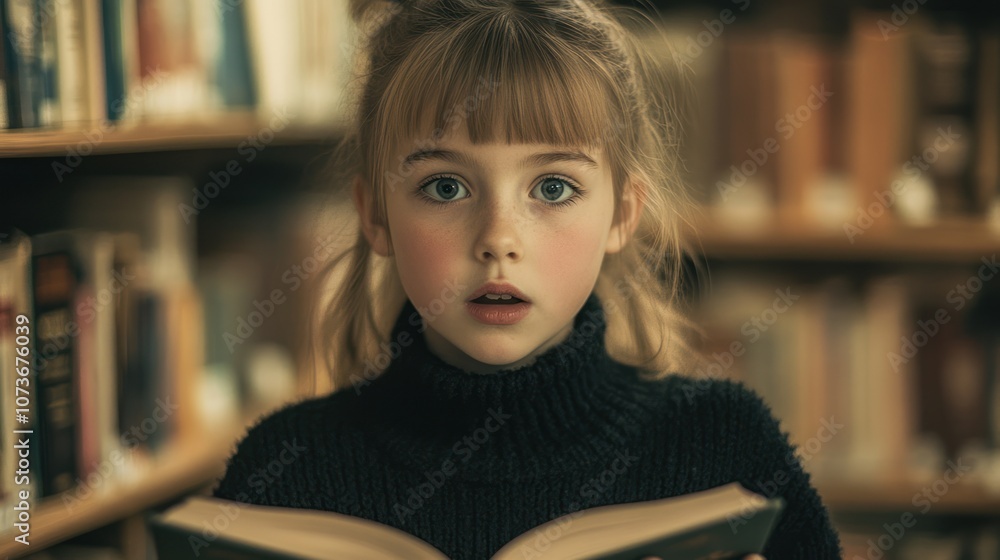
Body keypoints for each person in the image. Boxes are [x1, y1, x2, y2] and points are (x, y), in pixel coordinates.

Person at [212, 0, 843, 558]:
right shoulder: (283, 471)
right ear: (376, 214)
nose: (498, 239)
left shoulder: (726, 449)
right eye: (446, 186)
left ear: (623, 213)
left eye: (553, 187)